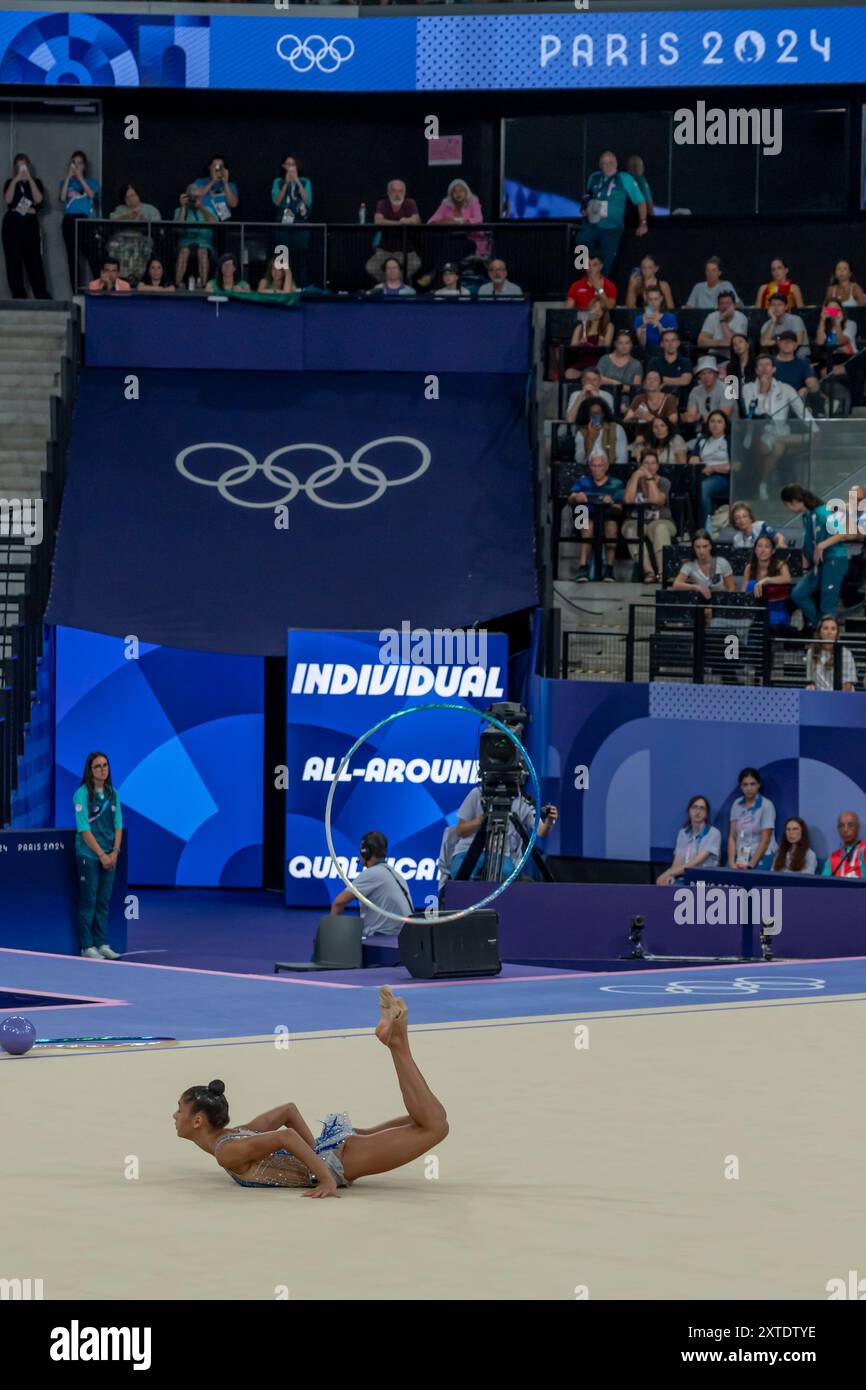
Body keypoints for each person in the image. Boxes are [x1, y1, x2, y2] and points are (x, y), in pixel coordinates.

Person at [175, 986, 449, 1194]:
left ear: (198, 1120)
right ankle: (397, 1041)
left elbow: (286, 1136)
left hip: (341, 1161)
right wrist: (315, 1150)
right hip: (331, 1150)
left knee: (435, 1126)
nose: (175, 1116)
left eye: (180, 1110)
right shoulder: (239, 1133)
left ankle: (397, 1044)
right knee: (429, 1120)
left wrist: (325, 1176)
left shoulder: (226, 1152)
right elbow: (287, 1111)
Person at [73, 751, 122, 960]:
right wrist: (102, 854)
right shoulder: (81, 794)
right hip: (89, 855)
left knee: (103, 901)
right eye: (98, 766)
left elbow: (119, 825)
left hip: (110, 856)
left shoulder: (113, 794)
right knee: (89, 900)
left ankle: (101, 943)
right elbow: (84, 829)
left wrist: (114, 852)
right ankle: (87, 946)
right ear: (90, 771)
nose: (103, 769)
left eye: (105, 765)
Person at [451, 785, 557, 879]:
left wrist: (549, 822)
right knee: (461, 876)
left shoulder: (524, 802)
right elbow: (460, 831)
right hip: (468, 850)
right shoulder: (477, 793)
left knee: (506, 873)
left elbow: (541, 832)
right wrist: (480, 821)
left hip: (503, 854)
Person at [782, 484, 850, 629]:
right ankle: (821, 626)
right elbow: (809, 540)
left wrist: (821, 545)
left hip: (834, 558)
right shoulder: (807, 516)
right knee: (798, 594)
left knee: (827, 600)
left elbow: (842, 532)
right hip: (818, 563)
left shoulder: (822, 511)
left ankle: (828, 634)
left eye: (786, 505)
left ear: (792, 502)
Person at [329, 831, 413, 938]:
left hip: (383, 939)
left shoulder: (371, 874)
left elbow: (338, 903)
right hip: (404, 939)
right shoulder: (398, 876)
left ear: (365, 852)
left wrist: (330, 935)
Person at [577, 149, 648, 275]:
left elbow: (640, 201)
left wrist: (643, 222)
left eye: (610, 163)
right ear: (600, 165)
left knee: (607, 262)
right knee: (580, 241)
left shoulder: (624, 178)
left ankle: (601, 287)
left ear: (616, 164)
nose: (607, 166)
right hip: (594, 223)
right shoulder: (594, 177)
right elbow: (587, 195)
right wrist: (584, 208)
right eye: (604, 163)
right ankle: (585, 275)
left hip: (612, 228)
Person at [570, 449, 626, 582]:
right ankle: (583, 568)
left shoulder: (616, 483)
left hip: (606, 515)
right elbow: (570, 498)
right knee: (586, 524)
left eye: (600, 466)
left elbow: (619, 509)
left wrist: (611, 503)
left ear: (606, 466)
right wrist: (576, 497)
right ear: (590, 467)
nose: (597, 469)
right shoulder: (583, 481)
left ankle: (609, 570)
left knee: (611, 527)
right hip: (583, 514)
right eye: (594, 466)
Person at [622, 450, 676, 583]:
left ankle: (663, 573)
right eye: (646, 463)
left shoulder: (664, 482)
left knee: (660, 528)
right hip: (635, 521)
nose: (650, 466)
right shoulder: (633, 481)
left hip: (661, 520)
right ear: (640, 465)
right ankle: (649, 572)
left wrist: (649, 478)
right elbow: (628, 500)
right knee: (632, 530)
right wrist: (635, 477)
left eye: (653, 463)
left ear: (657, 466)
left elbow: (656, 500)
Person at [2, 153, 48, 299]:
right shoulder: (10, 182)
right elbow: (8, 200)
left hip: (29, 227)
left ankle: (40, 294)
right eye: (19, 166)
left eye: (24, 165)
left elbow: (39, 200)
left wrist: (29, 178)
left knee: (34, 261)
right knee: (13, 262)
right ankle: (18, 295)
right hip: (12, 226)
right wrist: (16, 180)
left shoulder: (36, 182)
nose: (22, 169)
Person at [656, 795, 721, 885]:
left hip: (704, 881)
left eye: (702, 808)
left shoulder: (713, 833)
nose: (697, 812)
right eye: (694, 807)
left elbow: (696, 863)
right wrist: (670, 876)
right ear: (688, 811)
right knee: (664, 883)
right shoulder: (683, 833)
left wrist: (668, 873)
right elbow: (677, 862)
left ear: (706, 814)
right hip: (683, 878)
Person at [367, 179, 421, 284]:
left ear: (405, 192)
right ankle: (391, 285)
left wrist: (408, 220)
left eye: (400, 191)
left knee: (416, 263)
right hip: (384, 250)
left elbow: (416, 220)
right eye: (394, 191)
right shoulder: (382, 203)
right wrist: (400, 223)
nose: (397, 194)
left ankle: (394, 285)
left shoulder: (410, 202)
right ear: (388, 192)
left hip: (406, 251)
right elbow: (378, 221)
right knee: (370, 267)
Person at [60, 150, 100, 290]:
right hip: (69, 220)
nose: (76, 165)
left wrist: (80, 177)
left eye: (79, 163)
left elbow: (91, 194)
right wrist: (68, 178)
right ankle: (76, 290)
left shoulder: (91, 182)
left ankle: (98, 287)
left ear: (84, 166)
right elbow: (62, 198)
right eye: (74, 162)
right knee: (73, 257)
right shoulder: (66, 182)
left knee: (93, 255)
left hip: (85, 220)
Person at [107, 183, 161, 284]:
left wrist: (143, 219)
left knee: (143, 246)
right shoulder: (120, 209)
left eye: (132, 195)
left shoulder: (150, 209)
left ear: (138, 195)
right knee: (113, 245)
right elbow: (112, 220)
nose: (130, 199)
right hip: (122, 240)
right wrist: (127, 216)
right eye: (127, 197)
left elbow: (157, 225)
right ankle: (120, 278)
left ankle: (138, 279)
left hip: (141, 239)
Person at [271, 155, 312, 284]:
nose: (290, 167)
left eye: (293, 164)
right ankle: (282, 285)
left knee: (300, 258)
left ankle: (301, 285)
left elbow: (308, 200)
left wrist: (297, 181)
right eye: (288, 164)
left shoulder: (305, 181)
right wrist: (287, 182)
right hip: (282, 225)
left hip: (300, 225)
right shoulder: (278, 181)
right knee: (282, 258)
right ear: (283, 167)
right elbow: (276, 201)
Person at [688, 409, 730, 530]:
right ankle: (688, 526)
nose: (715, 424)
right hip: (702, 475)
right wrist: (696, 461)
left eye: (719, 421)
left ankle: (705, 529)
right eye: (712, 421)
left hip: (723, 477)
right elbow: (693, 459)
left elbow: (734, 466)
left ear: (725, 424)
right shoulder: (702, 440)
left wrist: (713, 468)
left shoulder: (729, 441)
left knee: (703, 487)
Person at [427, 178, 489, 260]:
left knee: (454, 248)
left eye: (461, 191)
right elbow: (431, 222)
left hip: (473, 239)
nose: (458, 194)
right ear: (451, 194)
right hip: (450, 239)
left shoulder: (473, 201)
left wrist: (461, 222)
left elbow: (478, 219)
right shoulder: (445, 204)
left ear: (466, 192)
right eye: (455, 191)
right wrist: (444, 222)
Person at [727, 768, 777, 870]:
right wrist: (731, 862)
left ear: (759, 785)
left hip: (763, 855)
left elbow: (765, 840)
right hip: (742, 854)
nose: (749, 788)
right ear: (741, 786)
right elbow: (732, 836)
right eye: (745, 785)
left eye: (752, 784)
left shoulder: (766, 805)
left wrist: (750, 866)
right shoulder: (736, 804)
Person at [742, 534, 794, 629]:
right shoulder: (749, 568)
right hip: (755, 610)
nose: (762, 550)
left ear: (773, 551)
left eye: (767, 547)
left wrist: (767, 580)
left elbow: (787, 579)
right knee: (751, 584)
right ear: (755, 549)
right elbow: (744, 591)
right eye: (759, 546)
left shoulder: (780, 565)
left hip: (776, 610)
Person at [173, 183, 217, 288]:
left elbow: (215, 224)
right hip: (185, 244)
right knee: (185, 251)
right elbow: (178, 229)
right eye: (192, 197)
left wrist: (201, 208)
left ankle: (203, 285)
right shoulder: (179, 210)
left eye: (197, 197)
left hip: (204, 244)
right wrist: (183, 208)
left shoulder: (208, 209)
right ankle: (177, 284)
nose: (194, 200)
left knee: (202, 251)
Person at [672, 529, 735, 599]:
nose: (701, 551)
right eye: (698, 547)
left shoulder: (722, 562)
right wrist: (696, 587)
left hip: (720, 601)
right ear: (693, 548)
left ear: (710, 546)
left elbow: (731, 587)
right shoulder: (690, 565)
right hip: (700, 603)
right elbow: (676, 585)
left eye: (705, 546)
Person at [805, 615, 856, 691]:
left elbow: (847, 685)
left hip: (840, 696)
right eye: (825, 628)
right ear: (819, 632)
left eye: (833, 629)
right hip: (820, 696)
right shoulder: (811, 652)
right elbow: (812, 682)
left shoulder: (845, 653)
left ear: (837, 633)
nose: (829, 632)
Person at [563, 299, 612, 377]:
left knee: (597, 373)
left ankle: (588, 376)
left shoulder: (608, 326)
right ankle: (586, 375)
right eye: (595, 307)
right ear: (589, 309)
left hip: (598, 362)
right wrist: (580, 344)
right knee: (569, 373)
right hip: (582, 362)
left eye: (601, 309)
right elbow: (572, 347)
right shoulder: (579, 328)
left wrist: (601, 344)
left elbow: (607, 346)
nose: (597, 311)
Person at [597, 330, 643, 414]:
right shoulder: (605, 359)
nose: (624, 346)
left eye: (627, 343)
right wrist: (615, 383)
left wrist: (618, 386)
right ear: (615, 344)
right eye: (620, 343)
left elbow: (635, 390)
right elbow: (597, 379)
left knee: (624, 409)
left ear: (631, 345)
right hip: (604, 395)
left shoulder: (636, 364)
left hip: (625, 399)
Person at [646, 329, 693, 401]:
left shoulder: (685, 362)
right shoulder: (654, 362)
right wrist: (676, 381)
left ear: (678, 343)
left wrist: (662, 380)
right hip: (656, 400)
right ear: (661, 344)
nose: (670, 344)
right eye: (666, 341)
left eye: (673, 340)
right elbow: (650, 382)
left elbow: (685, 381)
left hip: (680, 400)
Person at [772, 331, 820, 401]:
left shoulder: (803, 363)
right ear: (778, 344)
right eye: (784, 341)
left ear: (796, 345)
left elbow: (813, 385)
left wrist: (807, 388)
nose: (787, 343)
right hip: (773, 400)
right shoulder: (769, 361)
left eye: (790, 341)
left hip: (796, 401)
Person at [682, 358, 733, 424]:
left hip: (726, 429)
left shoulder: (727, 390)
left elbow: (722, 418)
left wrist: (701, 417)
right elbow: (691, 416)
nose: (706, 377)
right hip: (702, 428)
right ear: (699, 376)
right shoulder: (695, 391)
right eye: (703, 373)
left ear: (715, 374)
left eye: (710, 373)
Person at [192, 157, 239, 225]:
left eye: (220, 167)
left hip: (222, 222)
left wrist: (225, 183)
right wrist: (213, 181)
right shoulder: (199, 182)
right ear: (209, 167)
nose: (218, 169)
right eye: (215, 166)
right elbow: (194, 199)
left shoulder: (230, 185)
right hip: (201, 219)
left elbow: (233, 204)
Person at [821, 811, 866, 879]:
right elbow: (823, 883)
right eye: (841, 826)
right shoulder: (833, 857)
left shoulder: (864, 849)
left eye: (850, 825)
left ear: (858, 827)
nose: (845, 830)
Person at [634, 286, 677, 351]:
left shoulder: (670, 317)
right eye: (650, 299)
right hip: (647, 353)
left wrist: (659, 326)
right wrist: (644, 328)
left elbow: (671, 341)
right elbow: (642, 344)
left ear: (661, 299)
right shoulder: (639, 319)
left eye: (656, 299)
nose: (653, 302)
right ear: (647, 300)